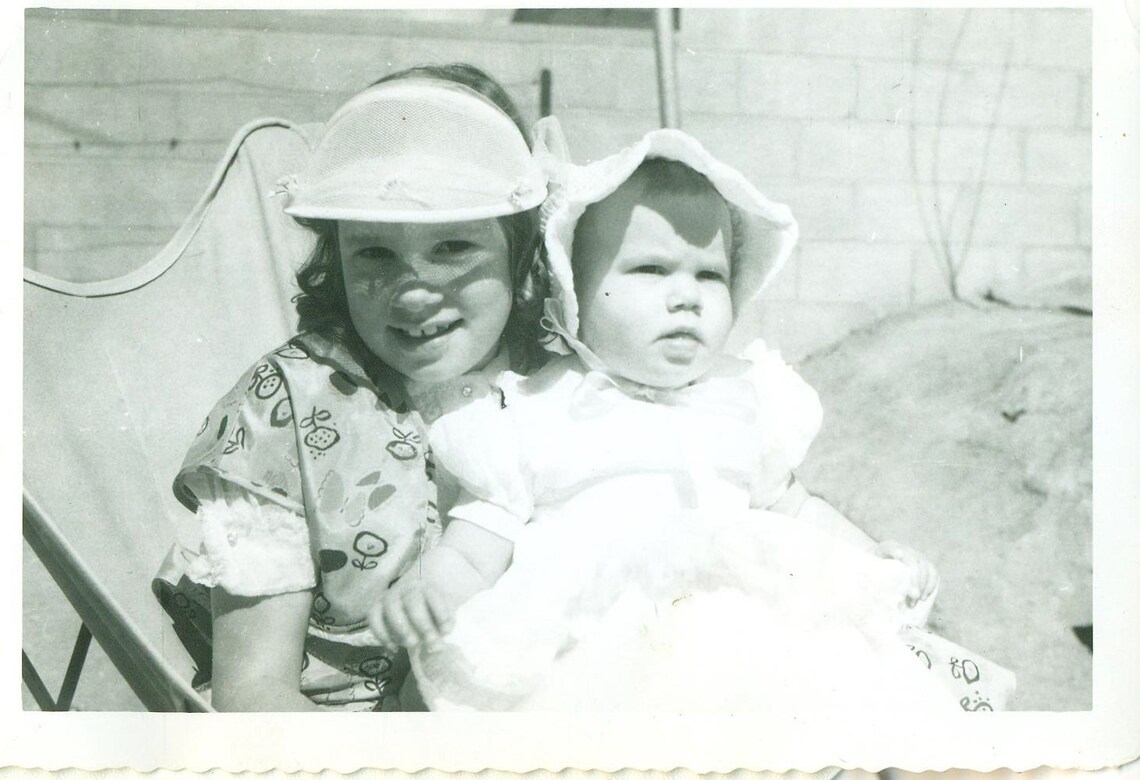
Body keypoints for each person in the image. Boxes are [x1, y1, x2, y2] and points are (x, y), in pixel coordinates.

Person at [371, 126, 1016, 713]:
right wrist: (434, 589)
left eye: (710, 275)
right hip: (600, 643)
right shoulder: (538, 406)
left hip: (744, 635)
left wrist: (869, 557)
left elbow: (796, 508)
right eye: (650, 269)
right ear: (574, 291)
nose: (686, 295)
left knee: (842, 693)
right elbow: (483, 533)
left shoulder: (746, 397)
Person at [160, 63, 549, 711]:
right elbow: (256, 690)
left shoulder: (560, 378)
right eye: (375, 252)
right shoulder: (285, 410)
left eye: (454, 245)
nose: (416, 289)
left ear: (521, 249)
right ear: (335, 256)